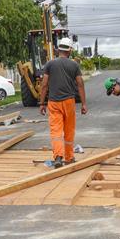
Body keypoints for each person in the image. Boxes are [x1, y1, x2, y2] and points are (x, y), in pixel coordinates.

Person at [38, 38, 88, 168]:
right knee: (69, 130)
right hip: (69, 102)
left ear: (58, 49)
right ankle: (70, 157)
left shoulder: (50, 64)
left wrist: (42, 103)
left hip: (53, 102)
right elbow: (80, 84)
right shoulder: (74, 65)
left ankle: (58, 157)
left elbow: (44, 85)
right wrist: (83, 104)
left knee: (56, 131)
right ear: (70, 50)